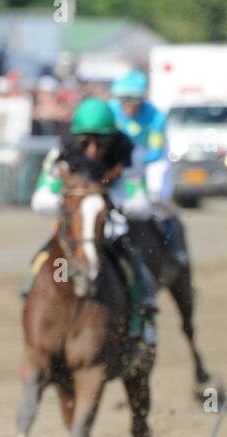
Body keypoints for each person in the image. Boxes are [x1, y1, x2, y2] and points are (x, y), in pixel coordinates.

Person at [29, 97, 157, 310]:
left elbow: (142, 205)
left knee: (133, 261)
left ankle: (142, 312)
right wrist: (73, 202)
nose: (92, 150)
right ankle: (43, 291)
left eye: (102, 142)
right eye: (85, 142)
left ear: (112, 138)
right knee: (51, 255)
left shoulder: (128, 152)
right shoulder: (61, 152)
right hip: (75, 215)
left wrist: (108, 203)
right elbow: (41, 199)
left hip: (112, 211)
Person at [110, 69, 187, 267]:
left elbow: (155, 150)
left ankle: (173, 245)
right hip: (122, 160)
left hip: (149, 159)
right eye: (123, 99)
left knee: (155, 193)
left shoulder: (156, 117)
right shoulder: (112, 111)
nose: (127, 105)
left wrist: (136, 165)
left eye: (131, 100)